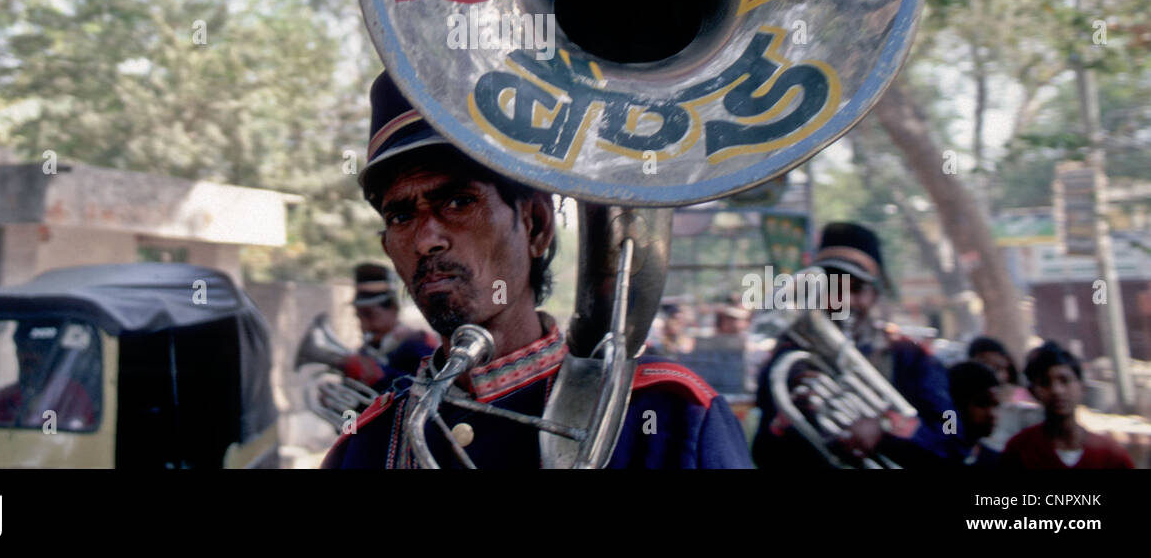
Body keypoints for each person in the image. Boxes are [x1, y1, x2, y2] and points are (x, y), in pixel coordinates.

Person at [322, 72, 753, 469]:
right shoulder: (368, 444)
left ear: (536, 224)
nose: (425, 239)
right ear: (386, 248)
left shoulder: (666, 417)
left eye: (458, 202)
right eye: (400, 216)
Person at [751, 222, 958, 468]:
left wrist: (885, 429)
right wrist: (785, 422)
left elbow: (951, 434)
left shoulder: (912, 357)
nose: (844, 301)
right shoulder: (785, 362)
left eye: (857, 288)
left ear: (875, 295)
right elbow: (761, 454)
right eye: (833, 286)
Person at [1000, 341, 1134, 469]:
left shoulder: (1109, 454)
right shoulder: (1020, 449)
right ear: (1033, 392)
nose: (1056, 390)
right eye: (1045, 383)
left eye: (1065, 381)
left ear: (1082, 387)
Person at [337, 263, 437, 393]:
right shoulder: (366, 351)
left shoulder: (418, 343)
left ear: (393, 309)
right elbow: (353, 408)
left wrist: (381, 375)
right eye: (359, 317)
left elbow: (432, 390)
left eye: (369, 315)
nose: (364, 325)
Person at [0, 321, 97, 429]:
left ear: (50, 355)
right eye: (24, 349)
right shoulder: (1, 400)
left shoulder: (71, 396)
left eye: (37, 350)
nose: (29, 356)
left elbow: (63, 439)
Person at [947, 361, 1003, 468]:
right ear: (957, 404)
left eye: (995, 405)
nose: (992, 414)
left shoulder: (997, 462)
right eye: (982, 404)